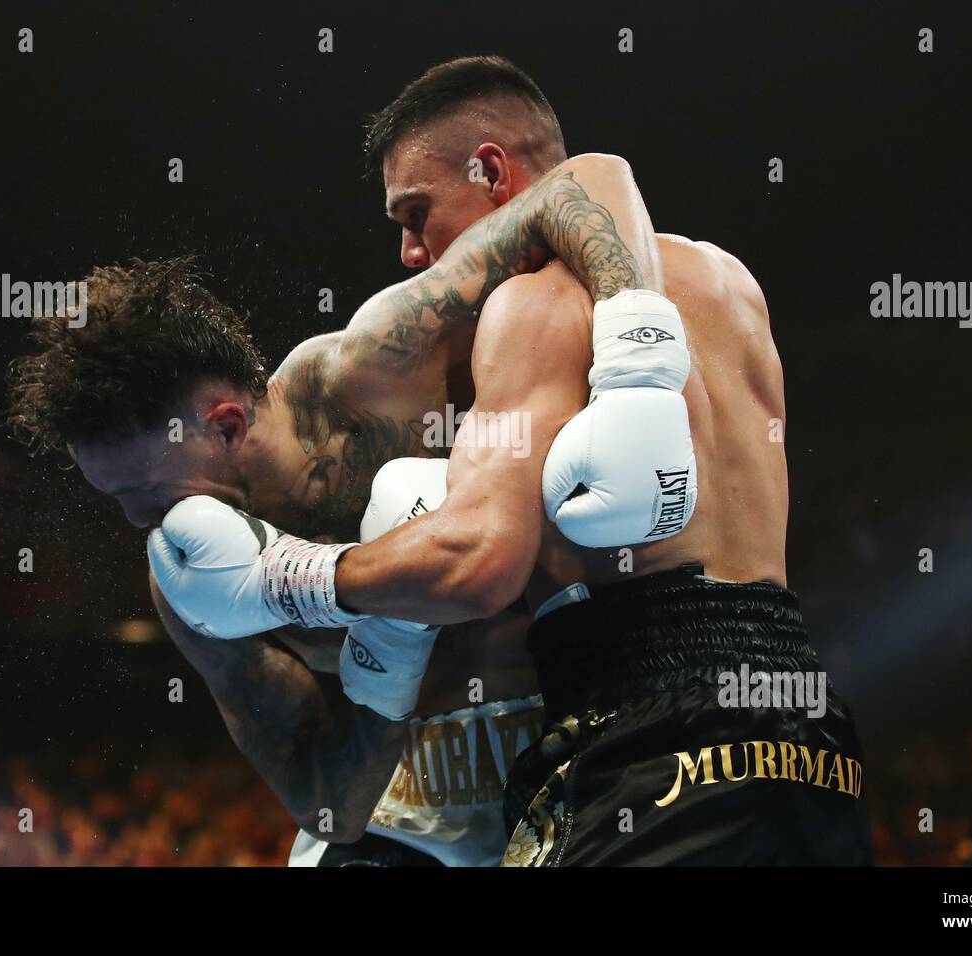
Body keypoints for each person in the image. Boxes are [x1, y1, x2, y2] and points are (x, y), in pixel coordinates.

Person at [158, 56, 872, 865]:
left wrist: (291, 577)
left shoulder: (525, 310)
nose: (409, 252)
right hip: (807, 731)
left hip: (637, 732)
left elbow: (480, 562)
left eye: (415, 212)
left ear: (492, 170)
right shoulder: (729, 282)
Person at [7, 149, 691, 865]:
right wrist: (387, 657)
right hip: (403, 831)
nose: (136, 522)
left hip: (578, 778)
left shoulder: (380, 368)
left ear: (227, 426)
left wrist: (637, 372)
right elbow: (327, 800)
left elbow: (585, 183)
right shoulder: (186, 578)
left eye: (140, 493)